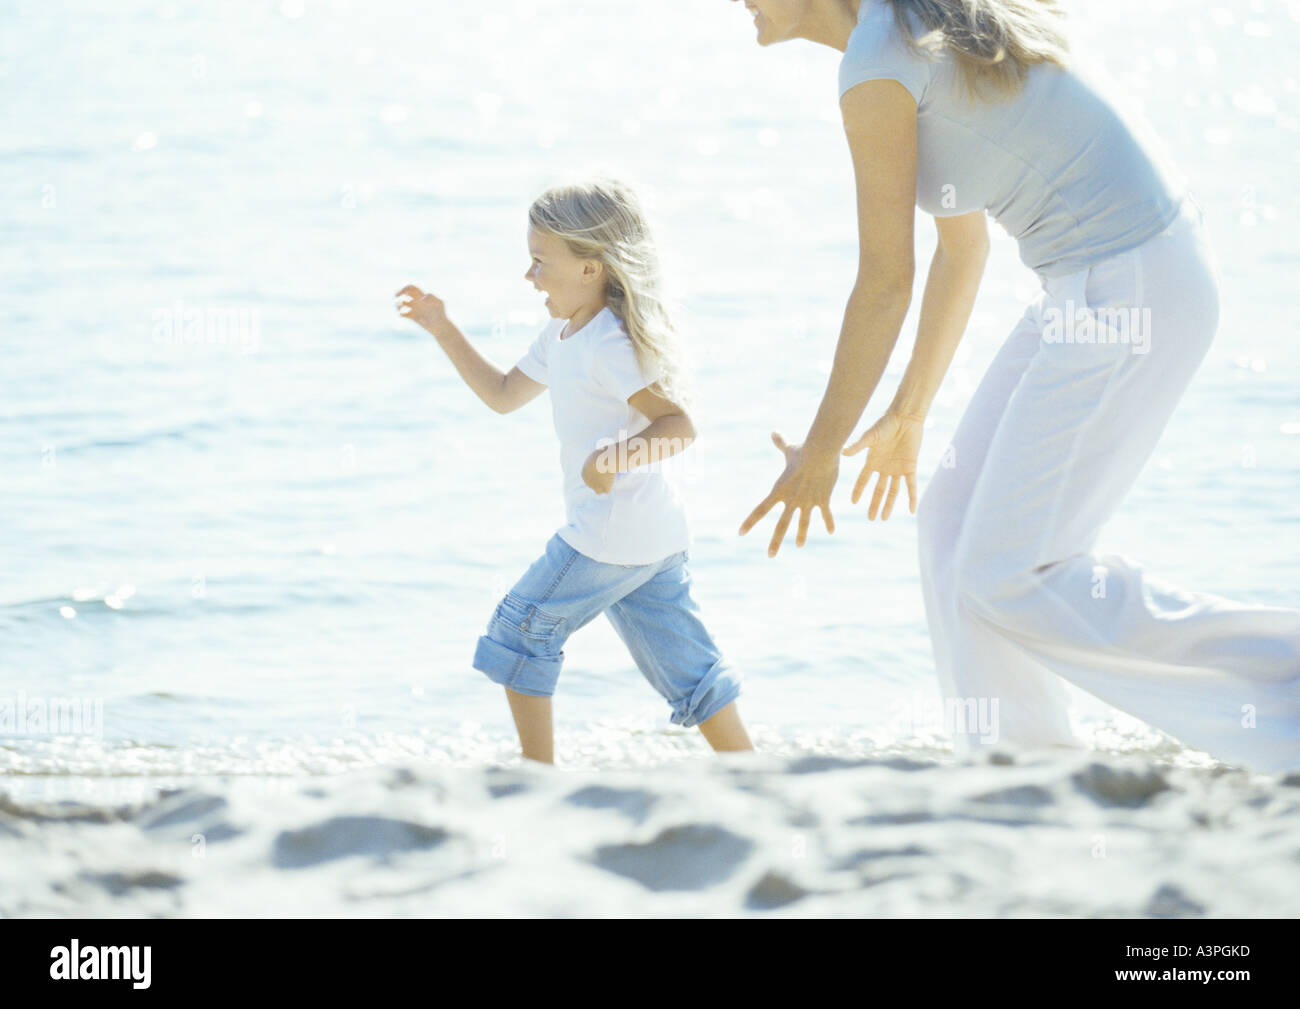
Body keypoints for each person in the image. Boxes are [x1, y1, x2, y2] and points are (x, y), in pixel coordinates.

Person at [732, 0, 1300, 772]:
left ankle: (1284, 676)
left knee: (1012, 571)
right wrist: (908, 411)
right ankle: (1020, 762)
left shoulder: (874, 60)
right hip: (1102, 282)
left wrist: (822, 450)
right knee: (951, 528)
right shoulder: (898, 32)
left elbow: (882, 282)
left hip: (1130, 284)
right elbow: (960, 248)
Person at [397, 178, 754, 764]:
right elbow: (505, 394)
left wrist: (612, 457)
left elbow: (677, 426)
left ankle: (537, 773)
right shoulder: (565, 334)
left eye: (540, 262)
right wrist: (443, 328)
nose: (529, 276)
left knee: (519, 633)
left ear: (591, 268)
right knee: (689, 670)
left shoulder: (609, 343)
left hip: (608, 536)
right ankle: (751, 772)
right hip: (653, 538)